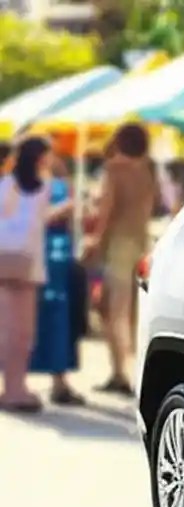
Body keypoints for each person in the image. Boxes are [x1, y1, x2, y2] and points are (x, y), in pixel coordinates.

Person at [83, 122, 156, 395]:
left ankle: (121, 373)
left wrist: (95, 242)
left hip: (118, 245)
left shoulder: (115, 169)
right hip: (141, 242)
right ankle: (133, 370)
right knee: (135, 313)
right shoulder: (148, 170)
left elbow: (108, 209)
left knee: (114, 312)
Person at [0, 136, 67, 412]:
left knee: (7, 330)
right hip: (28, 264)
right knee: (23, 333)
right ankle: (16, 389)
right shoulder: (45, 187)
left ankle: (11, 388)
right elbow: (40, 216)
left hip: (4, 259)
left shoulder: (6, 184)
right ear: (40, 158)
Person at [29, 153, 85, 405]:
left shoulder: (60, 184)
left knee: (59, 320)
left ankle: (59, 381)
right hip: (38, 256)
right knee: (28, 320)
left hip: (59, 258)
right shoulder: (21, 186)